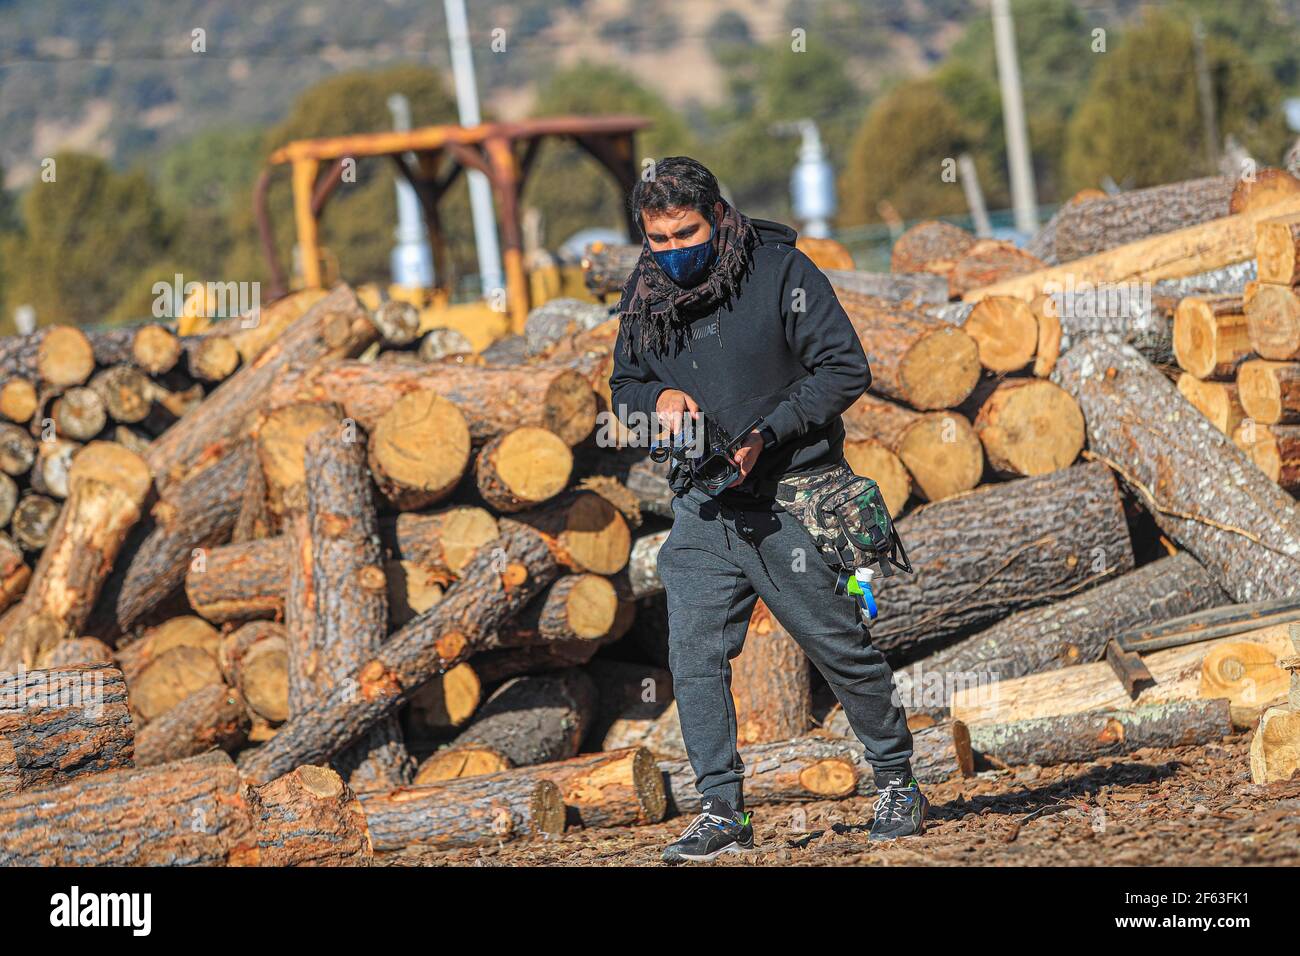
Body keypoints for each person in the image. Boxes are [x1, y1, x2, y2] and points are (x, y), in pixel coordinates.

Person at [609, 156, 928, 864]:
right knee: (691, 656)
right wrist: (654, 402)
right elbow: (624, 385)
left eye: (684, 234)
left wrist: (766, 434)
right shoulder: (646, 292)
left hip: (792, 498)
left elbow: (846, 368)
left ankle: (900, 780)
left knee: (839, 647)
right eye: (656, 240)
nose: (671, 252)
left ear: (717, 216)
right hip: (702, 509)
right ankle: (722, 810)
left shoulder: (782, 273)